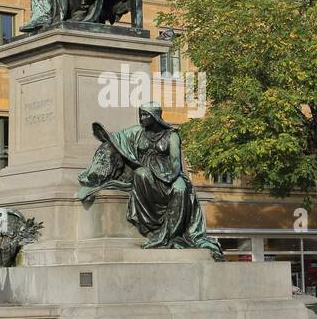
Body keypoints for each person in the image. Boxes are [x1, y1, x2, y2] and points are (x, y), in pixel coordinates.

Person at [78, 102, 223, 259]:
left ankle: (168, 235)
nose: (142, 118)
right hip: (147, 172)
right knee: (141, 174)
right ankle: (151, 227)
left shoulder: (171, 136)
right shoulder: (138, 132)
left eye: (146, 115)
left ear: (155, 117)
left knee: (180, 189)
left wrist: (169, 176)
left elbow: (175, 162)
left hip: (168, 173)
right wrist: (104, 138)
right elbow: (117, 139)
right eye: (141, 114)